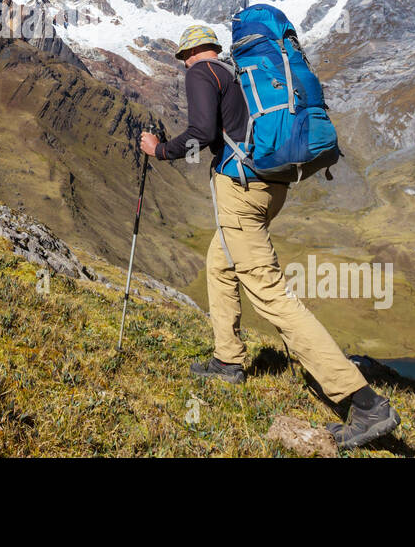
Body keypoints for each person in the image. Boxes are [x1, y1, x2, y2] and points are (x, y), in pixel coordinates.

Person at [140, 24, 400, 449]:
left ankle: (364, 401)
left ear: (188, 53)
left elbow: (203, 134)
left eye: (182, 57)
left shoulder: (200, 73)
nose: (184, 63)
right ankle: (228, 360)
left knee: (270, 292)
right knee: (220, 263)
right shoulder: (235, 74)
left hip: (239, 192)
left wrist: (160, 150)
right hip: (269, 187)